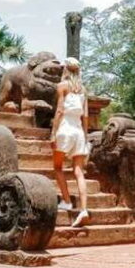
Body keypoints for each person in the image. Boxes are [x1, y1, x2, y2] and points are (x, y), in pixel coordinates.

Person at [50, 57, 91, 227]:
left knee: (58, 167)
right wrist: (86, 136)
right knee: (79, 172)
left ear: (65, 70)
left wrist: (53, 133)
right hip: (79, 130)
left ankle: (67, 201)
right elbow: (86, 116)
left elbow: (60, 110)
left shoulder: (62, 86)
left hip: (65, 129)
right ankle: (84, 210)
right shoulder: (83, 89)